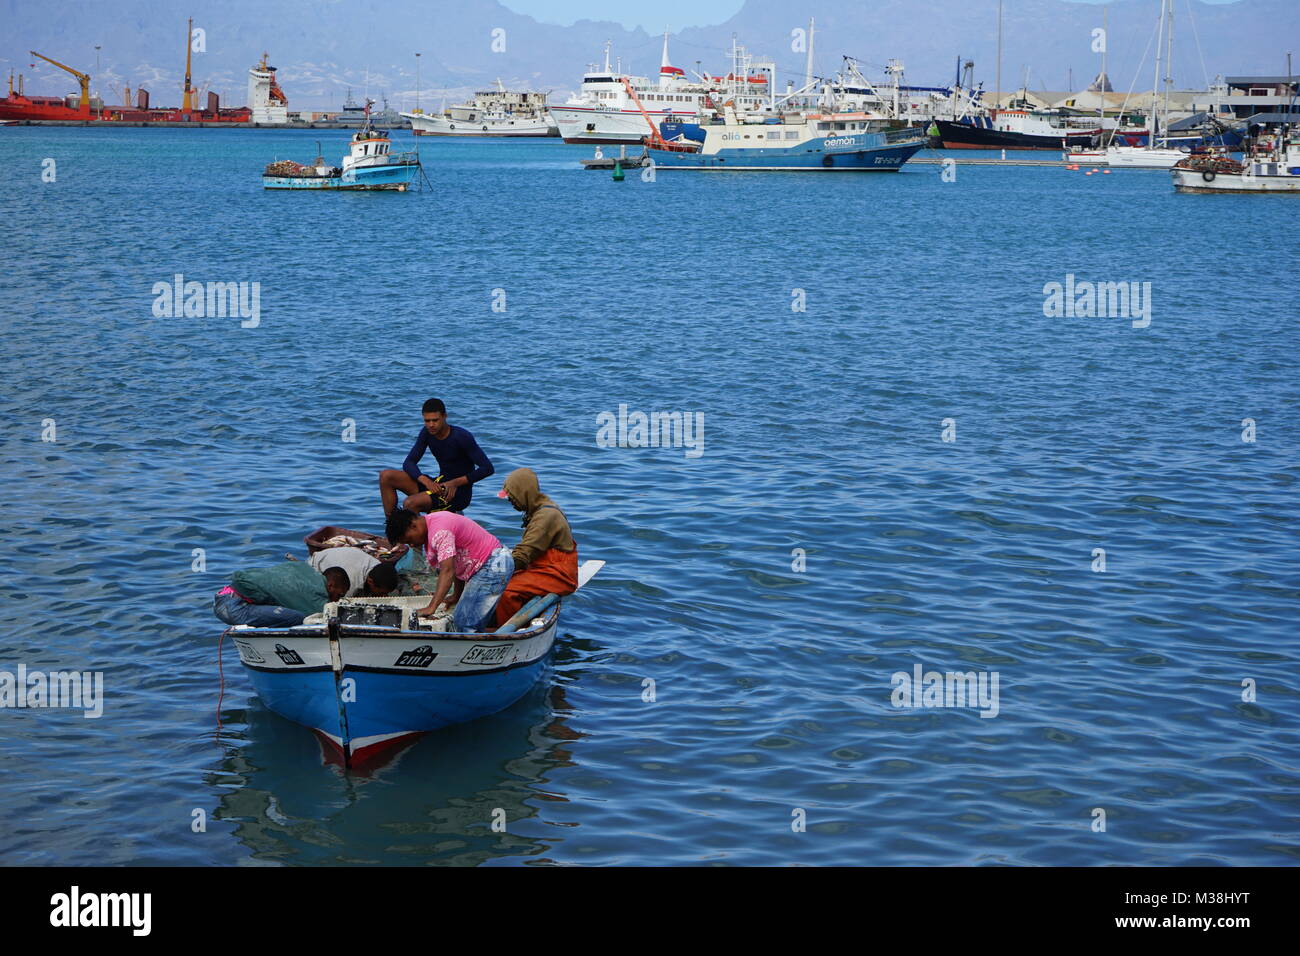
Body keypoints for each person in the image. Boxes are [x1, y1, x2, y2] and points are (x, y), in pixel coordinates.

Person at [385, 507, 513, 632]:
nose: (411, 545)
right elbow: (458, 565)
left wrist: (431, 607)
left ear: (413, 526)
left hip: (493, 564)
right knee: (463, 618)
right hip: (487, 563)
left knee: (464, 623)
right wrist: (456, 595)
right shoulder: (432, 522)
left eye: (410, 540)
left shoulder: (439, 532)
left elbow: (448, 571)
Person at [378, 398, 494, 516]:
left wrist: (454, 483)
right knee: (386, 476)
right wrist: (427, 482)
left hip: (457, 493)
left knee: (410, 503)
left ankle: (416, 533)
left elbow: (487, 468)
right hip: (438, 485)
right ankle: (392, 528)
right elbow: (409, 463)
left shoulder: (461, 436)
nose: (431, 425)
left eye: (435, 420)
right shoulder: (427, 433)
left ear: (445, 416)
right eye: (427, 421)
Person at [494, 468, 579, 628]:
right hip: (543, 567)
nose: (510, 501)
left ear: (523, 492)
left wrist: (494, 570)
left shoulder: (545, 517)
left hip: (559, 574)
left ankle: (507, 629)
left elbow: (524, 554)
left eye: (511, 496)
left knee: (506, 590)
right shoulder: (540, 508)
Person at [213, 562, 349, 627]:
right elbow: (324, 615)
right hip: (235, 607)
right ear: (330, 586)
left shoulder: (306, 570)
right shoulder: (315, 594)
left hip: (226, 596)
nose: (337, 600)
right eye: (339, 595)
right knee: (299, 618)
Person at [308, 545, 379, 597]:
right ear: (370, 581)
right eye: (382, 593)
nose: (383, 596)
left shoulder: (377, 564)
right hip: (315, 564)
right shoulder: (352, 582)